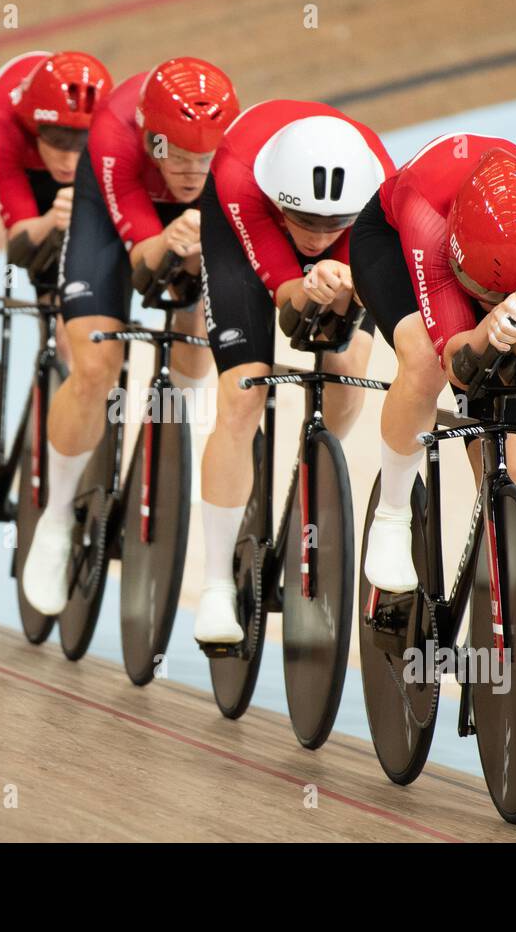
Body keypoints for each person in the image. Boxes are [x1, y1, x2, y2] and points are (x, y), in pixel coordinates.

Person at [21, 57, 240, 615]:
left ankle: (175, 432)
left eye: (204, 158)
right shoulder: (117, 136)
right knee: (96, 365)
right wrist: (172, 239)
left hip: (185, 220)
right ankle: (55, 515)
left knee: (197, 305)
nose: (192, 171)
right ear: (153, 139)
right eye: (180, 156)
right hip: (111, 208)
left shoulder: (233, 154)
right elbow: (144, 259)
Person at [193, 101, 395, 643]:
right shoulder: (241, 175)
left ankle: (314, 470)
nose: (316, 235)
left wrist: (348, 281)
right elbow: (286, 300)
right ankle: (214, 585)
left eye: (332, 223)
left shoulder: (383, 190)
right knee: (242, 392)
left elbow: (377, 280)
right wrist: (306, 286)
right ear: (282, 202)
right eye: (305, 221)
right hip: (244, 235)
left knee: (348, 374)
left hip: (363, 235)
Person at [350, 133, 516, 593]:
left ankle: (494, 603)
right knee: (423, 359)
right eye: (483, 295)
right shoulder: (426, 220)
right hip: (397, 244)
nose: (488, 303)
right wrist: (485, 329)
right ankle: (392, 515)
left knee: (508, 472)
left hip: (494, 263)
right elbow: (459, 366)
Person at [0, 51, 113, 450]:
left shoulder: (113, 130)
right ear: (35, 126)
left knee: (74, 339)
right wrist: (51, 221)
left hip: (54, 177)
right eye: (58, 142)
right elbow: (19, 247)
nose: (69, 158)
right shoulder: (1, 122)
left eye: (79, 145)